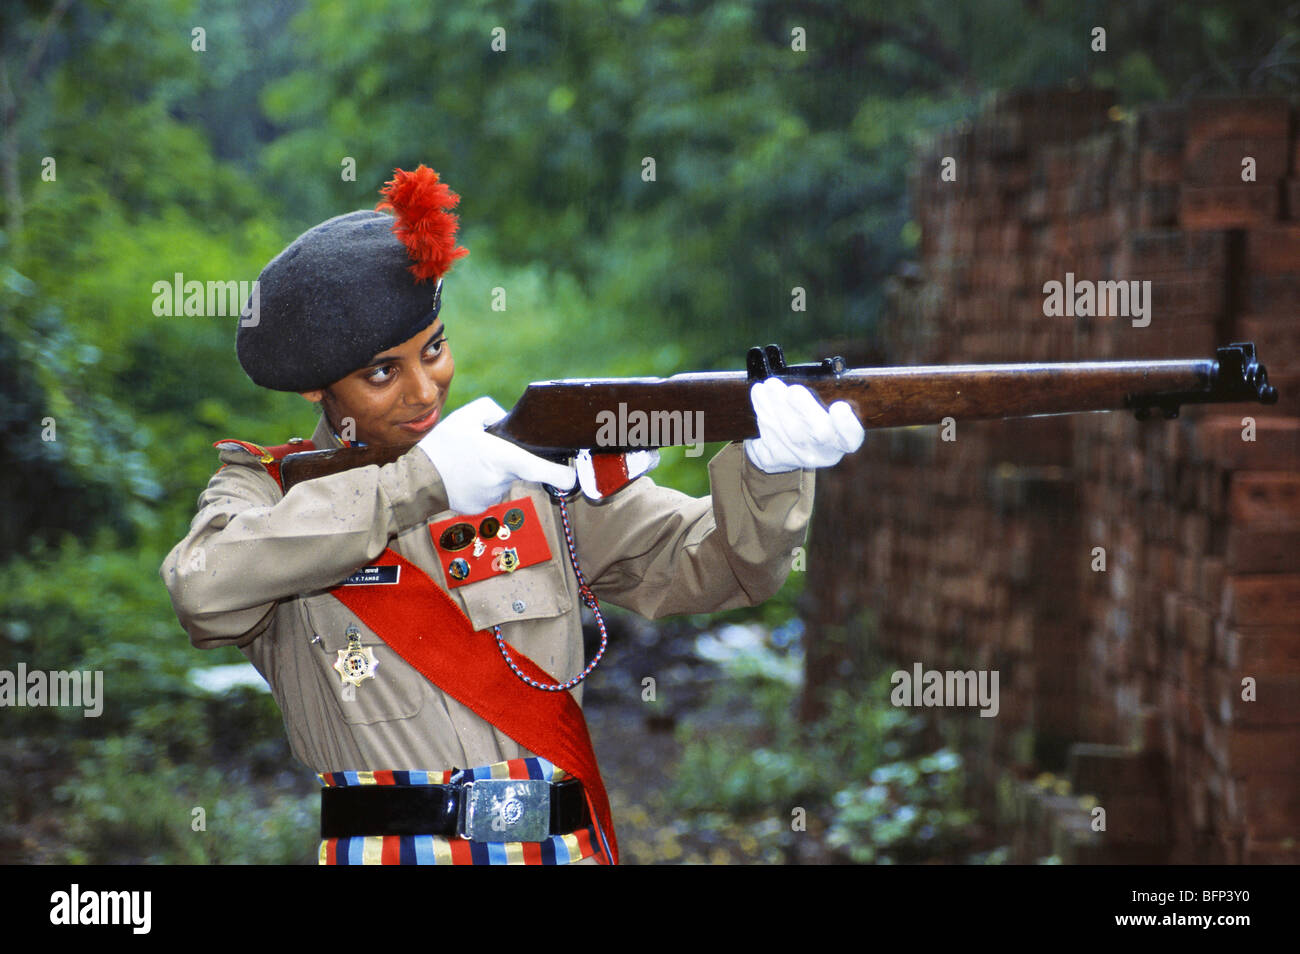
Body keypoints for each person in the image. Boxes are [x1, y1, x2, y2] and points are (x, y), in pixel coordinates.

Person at [160, 165, 865, 865]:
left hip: (554, 848)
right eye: (382, 372)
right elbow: (202, 590)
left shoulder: (519, 463)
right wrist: (421, 483)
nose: (423, 389)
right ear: (319, 390)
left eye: (433, 348)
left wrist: (769, 470)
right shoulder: (267, 493)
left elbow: (717, 566)